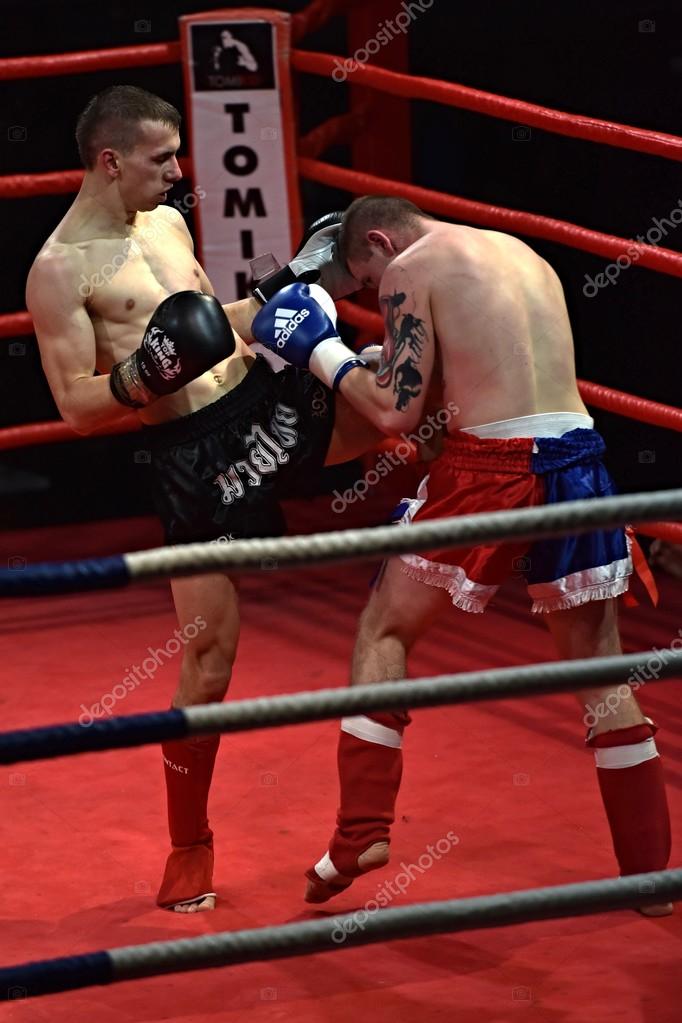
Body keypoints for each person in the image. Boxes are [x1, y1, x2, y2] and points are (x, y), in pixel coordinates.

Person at [250, 195, 673, 916]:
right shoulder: (519, 254)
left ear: (380, 243)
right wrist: (380, 361)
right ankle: (651, 879)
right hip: (580, 455)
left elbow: (396, 414)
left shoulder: (412, 268)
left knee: (385, 628)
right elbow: (469, 381)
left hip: (495, 467)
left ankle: (362, 833)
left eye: (370, 279)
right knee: (599, 665)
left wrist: (321, 350)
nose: (381, 295)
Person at [25, 86, 379, 913]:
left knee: (397, 401)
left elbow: (209, 323)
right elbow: (77, 406)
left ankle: (508, 518)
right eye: (162, 160)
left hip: (254, 401)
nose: (180, 174)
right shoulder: (57, 270)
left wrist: (276, 290)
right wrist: (146, 373)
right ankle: (190, 843)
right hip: (191, 458)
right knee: (211, 662)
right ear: (109, 161)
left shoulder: (169, 223)